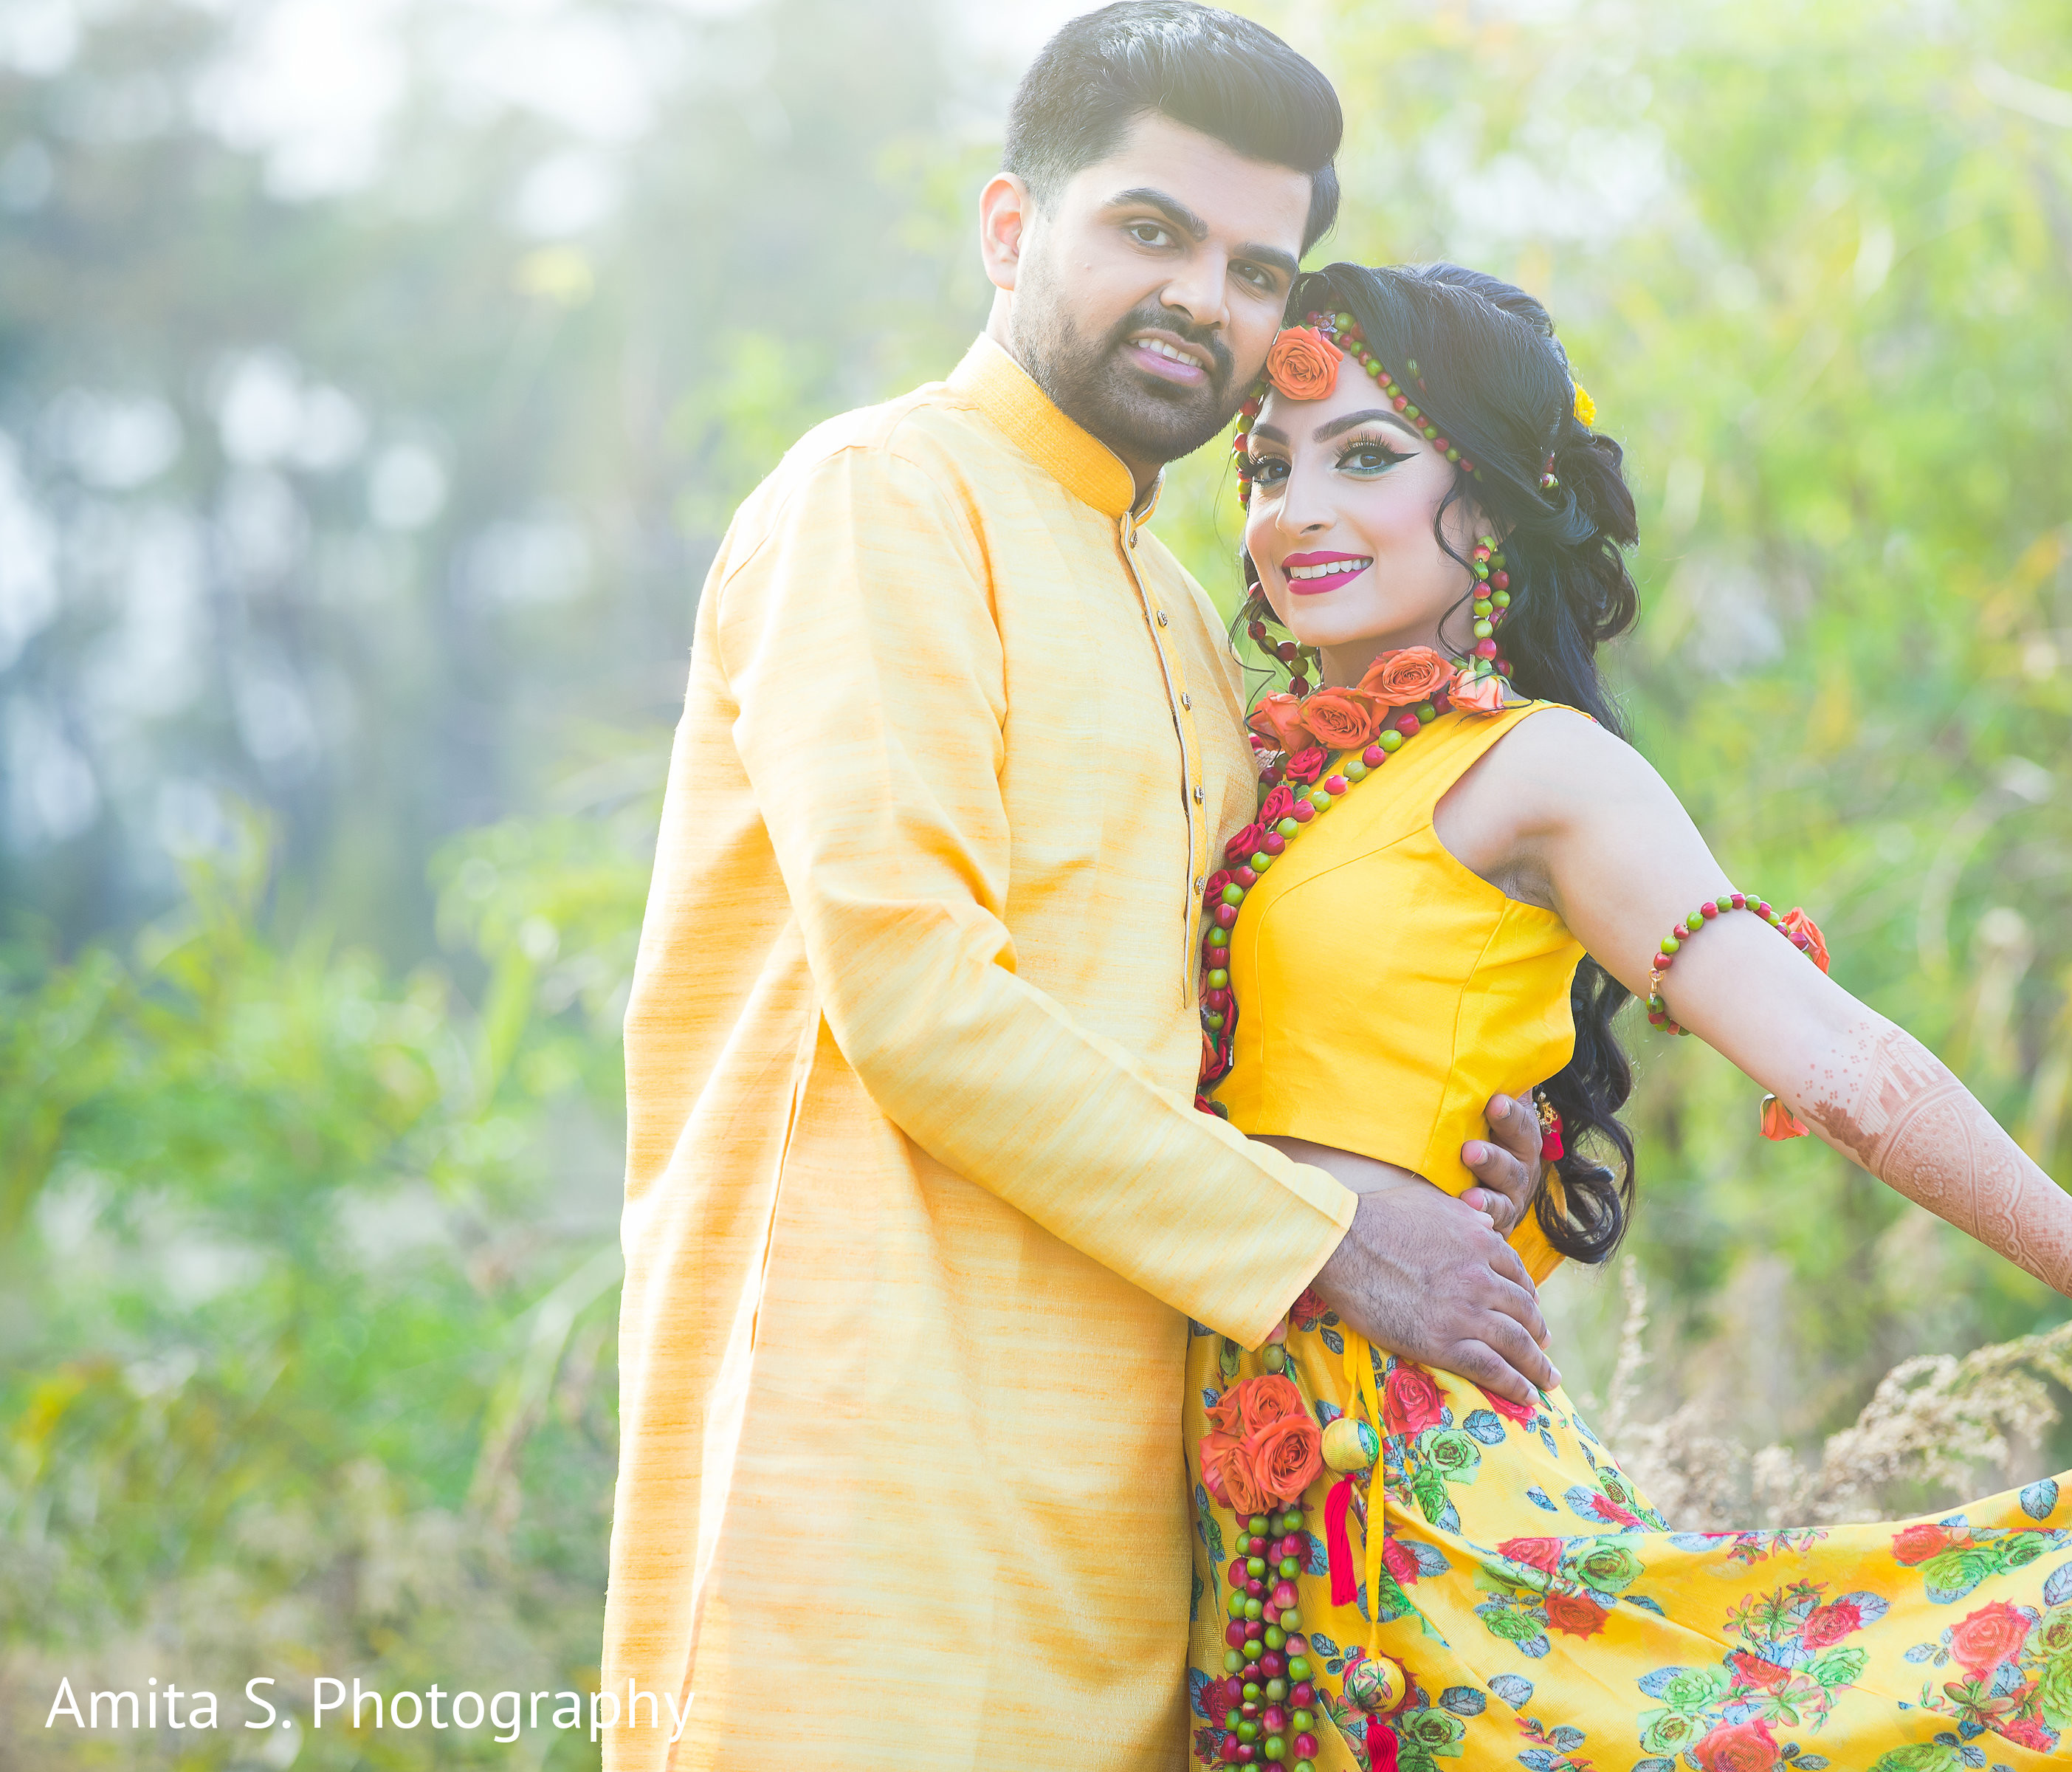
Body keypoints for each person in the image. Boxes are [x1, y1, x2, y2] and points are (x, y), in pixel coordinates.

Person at [1178, 261, 2072, 1772]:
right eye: (1268, 465)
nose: (1296, 510)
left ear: (1497, 503)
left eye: (1366, 457)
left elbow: (1841, 1066)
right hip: (1239, 1490)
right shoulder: (1259, 771)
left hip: (1422, 1519)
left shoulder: (1544, 772)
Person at [600, 12, 1564, 1769]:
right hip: (853, 1508)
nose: (1206, 296)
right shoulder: (881, 502)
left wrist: (1431, 1148)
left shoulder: (1194, 628)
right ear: (1009, 228)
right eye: (1151, 232)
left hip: (1121, 1532)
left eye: (1255, 266)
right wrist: (1337, 1241)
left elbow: (1213, 1045)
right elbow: (919, 1002)